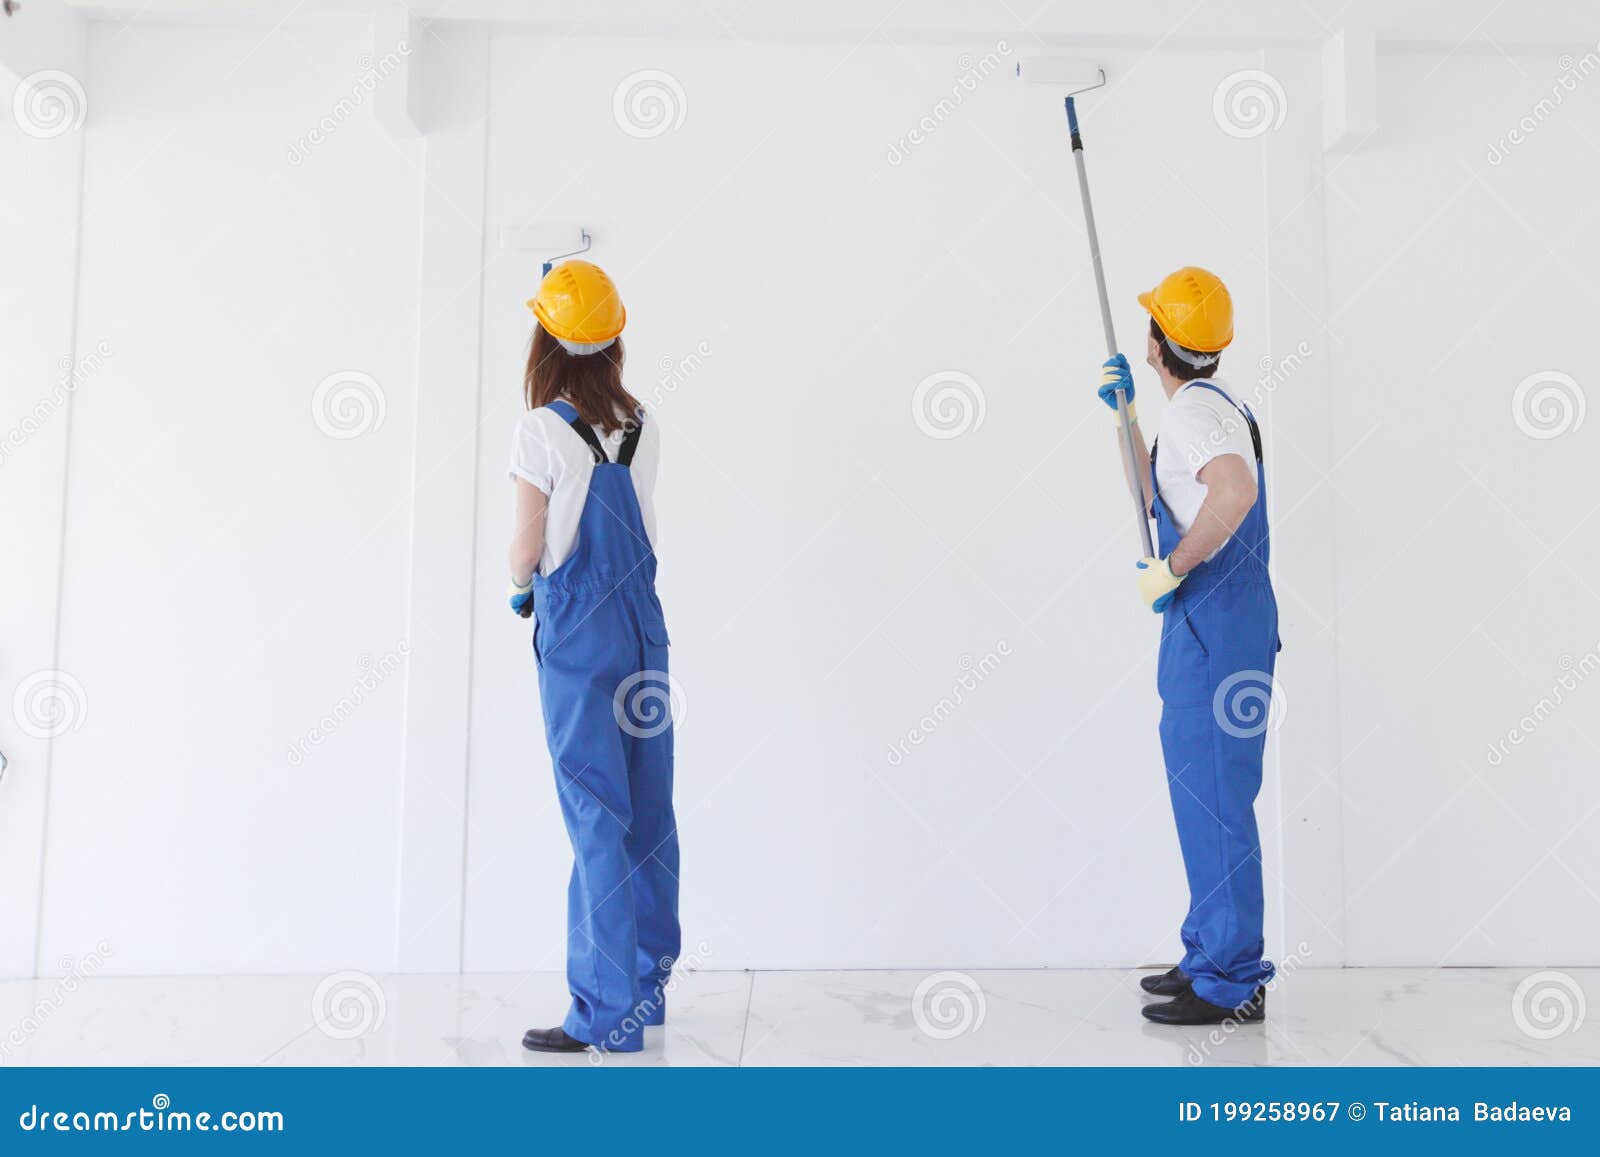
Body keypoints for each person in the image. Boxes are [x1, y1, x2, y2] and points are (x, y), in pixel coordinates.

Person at [1097, 266, 1279, 1026]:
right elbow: (1156, 492)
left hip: (1215, 631)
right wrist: (1128, 419)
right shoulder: (1208, 405)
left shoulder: (1201, 420)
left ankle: (1232, 978)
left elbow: (1233, 492)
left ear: (1156, 341)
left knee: (1217, 800)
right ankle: (1209, 951)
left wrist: (1171, 566)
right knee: (1202, 796)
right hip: (1212, 628)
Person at [506, 260, 680, 1053]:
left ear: (546, 339)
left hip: (578, 637)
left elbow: (526, 547)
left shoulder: (540, 427)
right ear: (614, 340)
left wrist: (521, 586)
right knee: (646, 809)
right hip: (643, 630)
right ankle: (644, 987)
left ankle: (604, 1011)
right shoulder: (642, 420)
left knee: (594, 814)